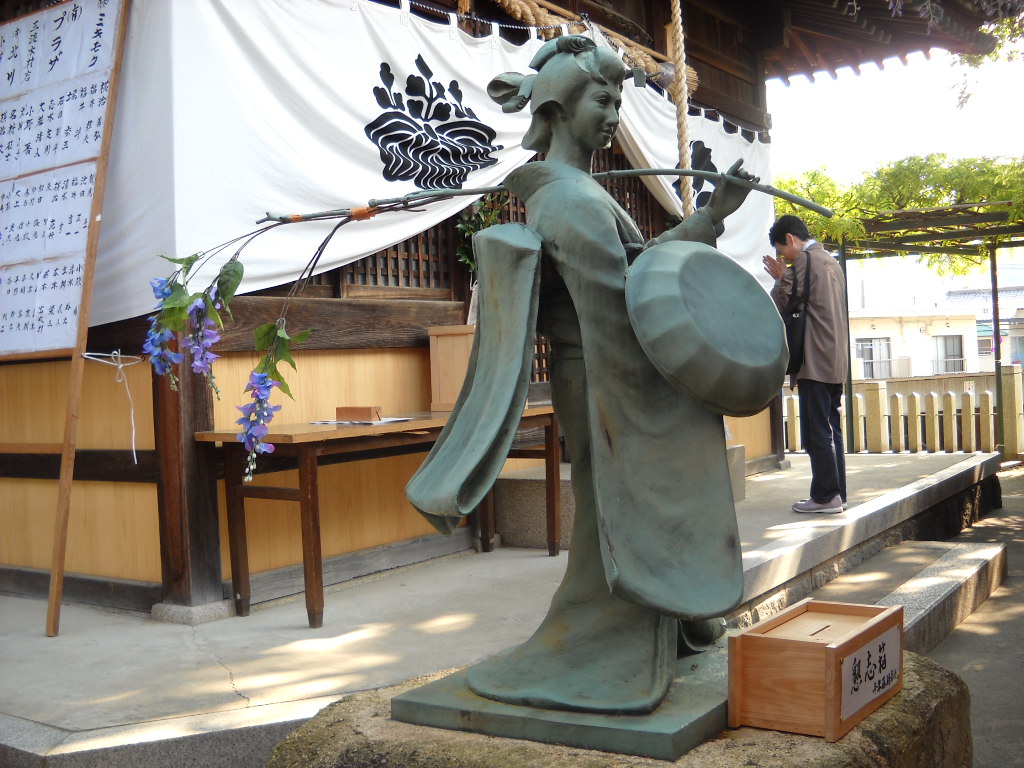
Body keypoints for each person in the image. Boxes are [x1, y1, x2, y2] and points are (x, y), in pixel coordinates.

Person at [407, 35, 766, 714]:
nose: (612, 115)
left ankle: (672, 617)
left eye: (618, 101)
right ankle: (606, 636)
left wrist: (711, 217)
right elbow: (624, 301)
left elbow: (634, 276)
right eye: (602, 99)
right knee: (616, 510)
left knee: (628, 503)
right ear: (560, 105)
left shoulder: (581, 193)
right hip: (602, 371)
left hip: (605, 365)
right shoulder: (568, 202)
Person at [763, 214, 849, 514]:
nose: (782, 257)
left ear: (791, 239)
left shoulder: (806, 259)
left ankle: (825, 496)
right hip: (836, 358)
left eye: (781, 249)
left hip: (815, 357)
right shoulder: (831, 261)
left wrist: (780, 279)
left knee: (816, 432)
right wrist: (786, 277)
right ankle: (838, 494)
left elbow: (786, 302)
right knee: (832, 428)